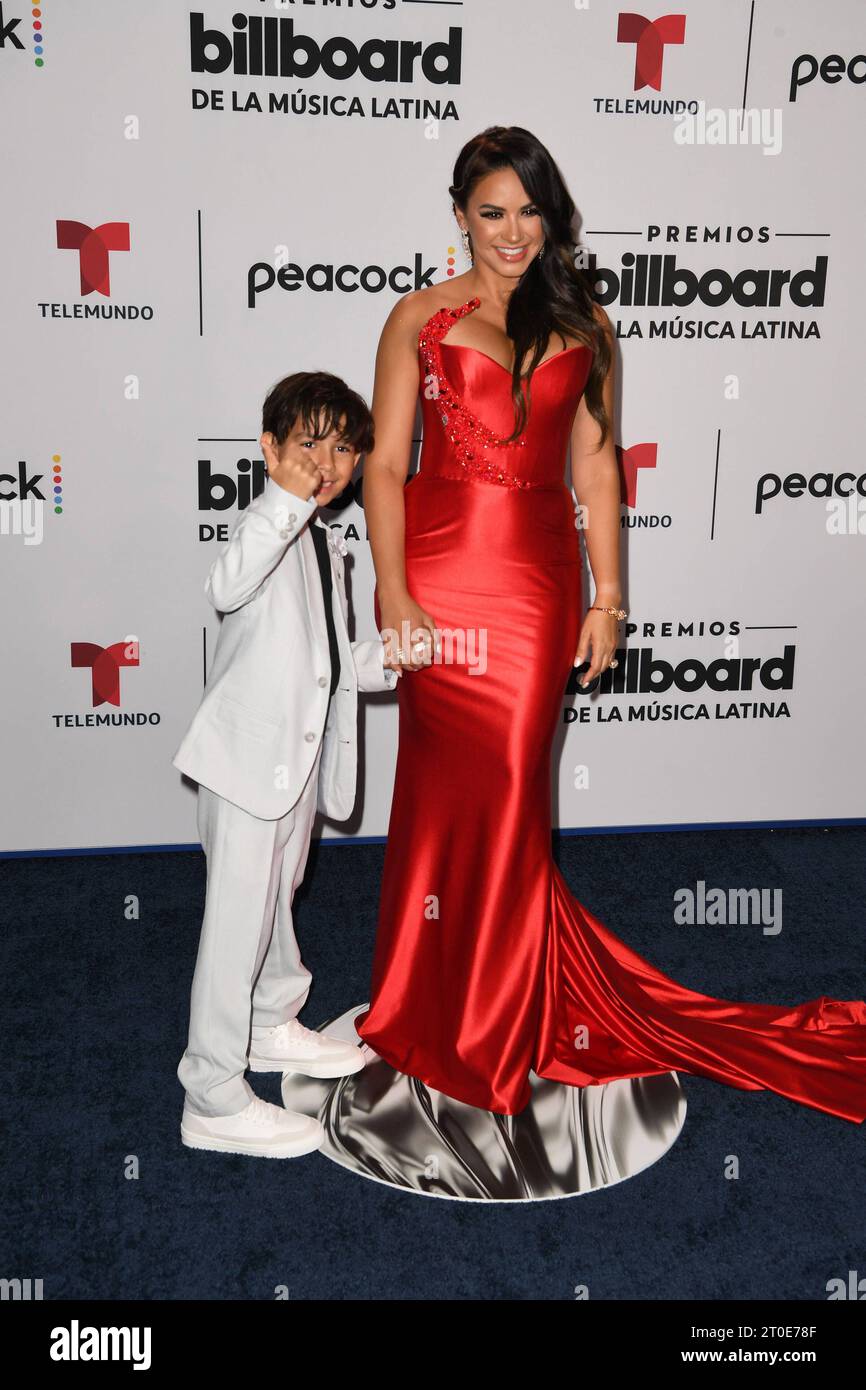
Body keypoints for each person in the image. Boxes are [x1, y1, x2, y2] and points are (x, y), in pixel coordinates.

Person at [354, 126, 866, 1124]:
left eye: (528, 210)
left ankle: (494, 1024)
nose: (510, 232)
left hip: (536, 583)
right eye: (490, 211)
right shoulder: (415, 319)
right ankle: (421, 1001)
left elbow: (595, 467)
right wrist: (396, 594)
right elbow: (382, 466)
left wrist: (608, 596)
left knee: (509, 792)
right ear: (457, 213)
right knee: (435, 794)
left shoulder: (585, 322)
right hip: (439, 575)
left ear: (552, 215)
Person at [173, 371, 400, 1158]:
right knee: (234, 929)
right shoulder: (270, 524)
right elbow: (226, 585)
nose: (327, 463)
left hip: (291, 767)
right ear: (269, 449)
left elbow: (328, 663)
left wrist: (403, 657)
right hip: (245, 767)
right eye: (308, 443)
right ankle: (211, 1094)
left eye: (342, 448)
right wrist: (287, 499)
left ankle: (270, 1023)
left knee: (276, 904)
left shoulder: (320, 540)